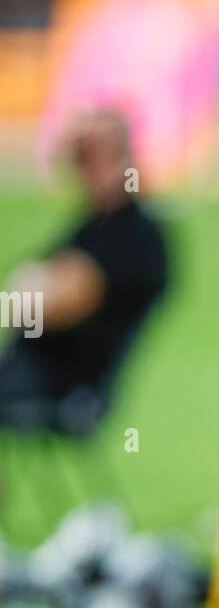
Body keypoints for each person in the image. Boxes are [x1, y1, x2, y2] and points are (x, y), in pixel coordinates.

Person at [0, 108, 170, 435]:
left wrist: (32, 290)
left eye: (90, 155)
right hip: (27, 373)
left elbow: (57, 299)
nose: (83, 168)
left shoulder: (135, 235)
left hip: (65, 389)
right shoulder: (91, 225)